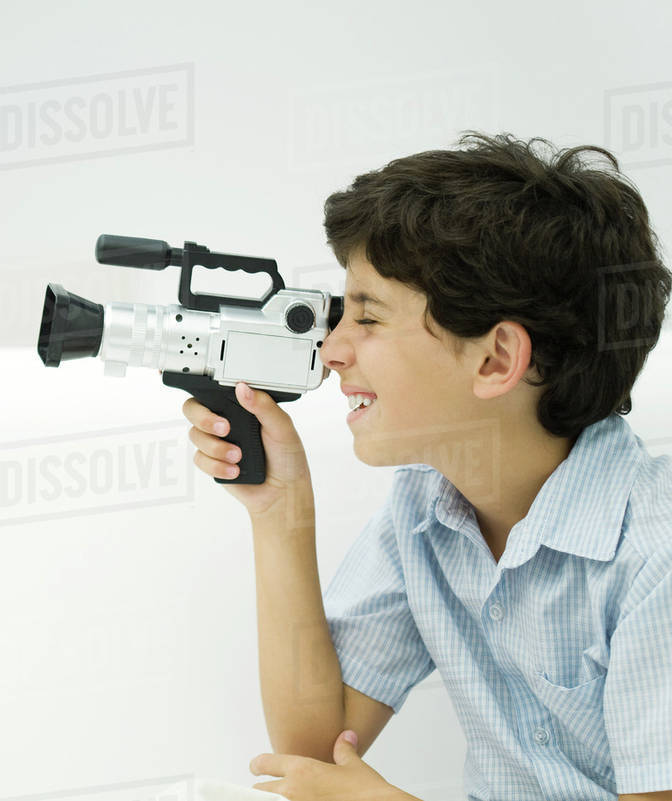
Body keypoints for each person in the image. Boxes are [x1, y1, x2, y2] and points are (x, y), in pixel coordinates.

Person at [183, 133, 672, 800]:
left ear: (497, 359)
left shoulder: (654, 553)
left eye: (369, 318)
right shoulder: (427, 509)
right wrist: (279, 512)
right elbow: (311, 755)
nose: (332, 350)